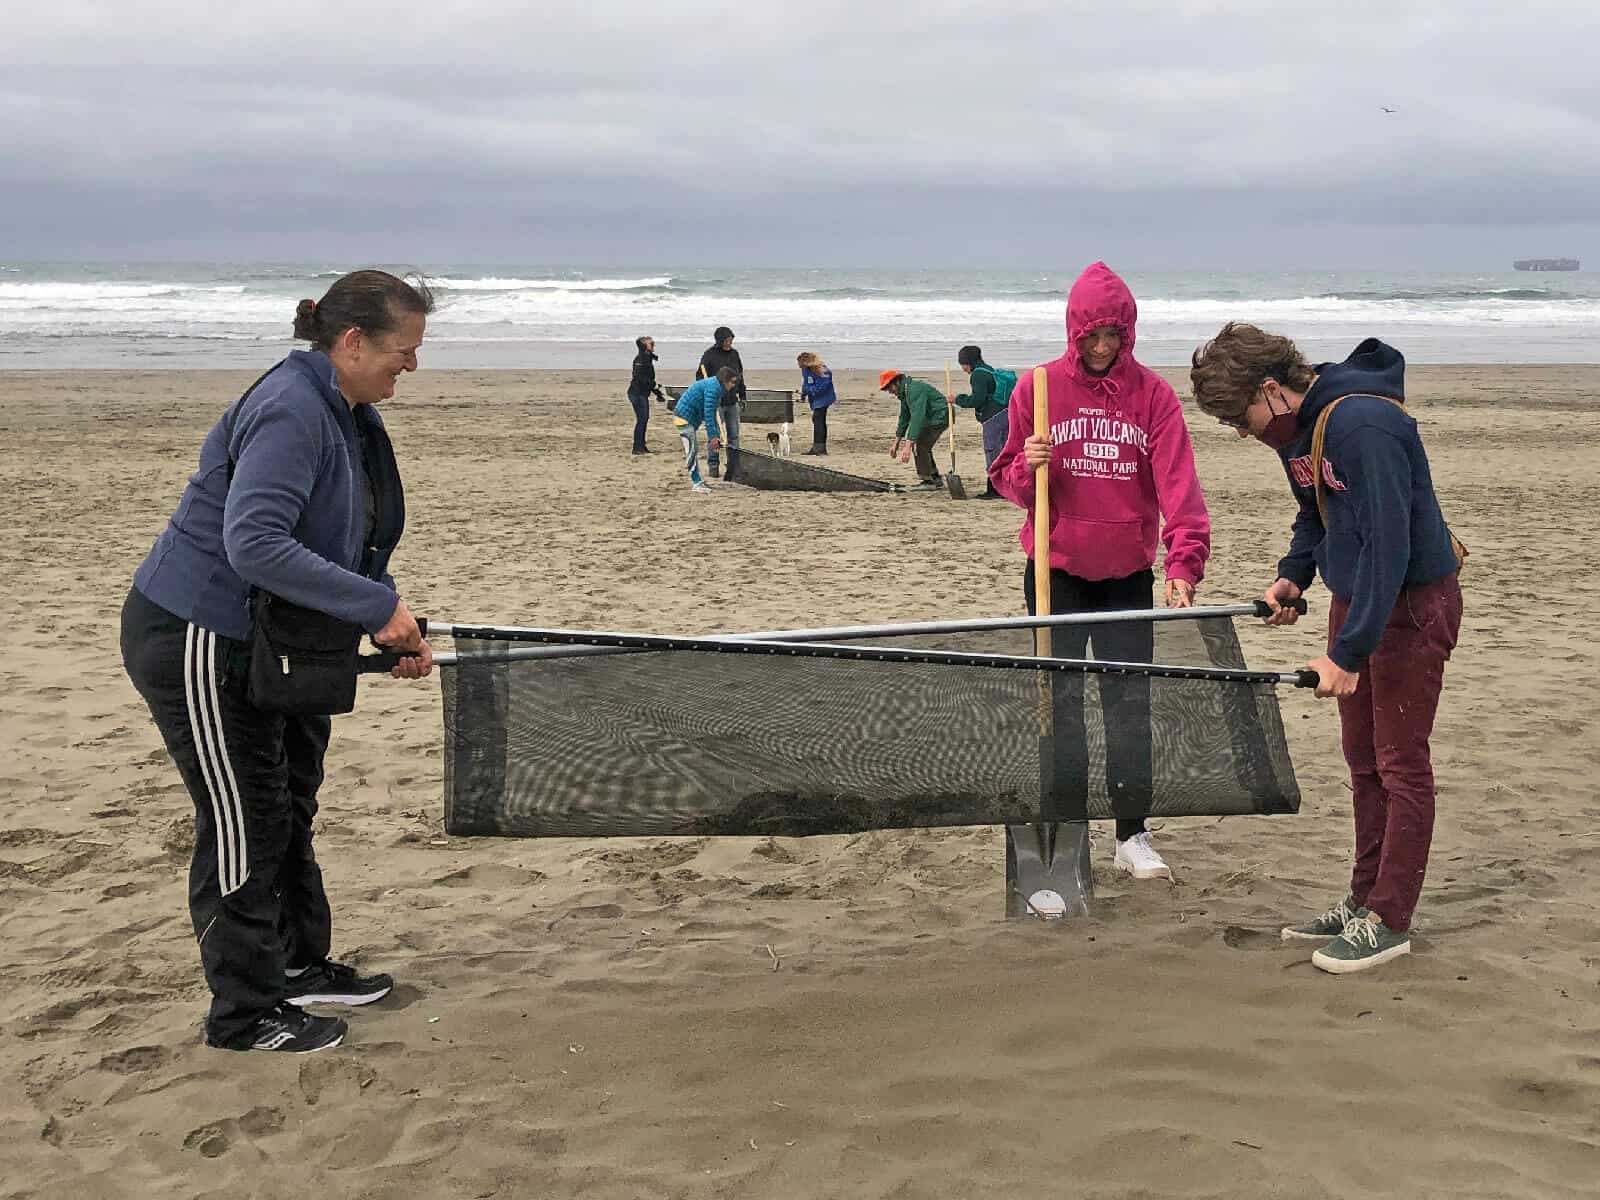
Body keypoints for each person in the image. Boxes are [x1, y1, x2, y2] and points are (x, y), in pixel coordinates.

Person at [120, 270, 436, 1053]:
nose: (413, 367)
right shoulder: (294, 408)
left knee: (290, 802)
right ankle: (243, 1013)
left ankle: (297, 966)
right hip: (199, 632)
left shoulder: (348, 411)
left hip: (276, 643)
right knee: (244, 818)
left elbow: (349, 542)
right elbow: (254, 543)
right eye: (405, 351)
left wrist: (391, 621)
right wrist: (373, 609)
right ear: (353, 341)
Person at [1190, 323, 1464, 974]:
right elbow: (1317, 514)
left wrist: (1347, 652)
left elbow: (1389, 549)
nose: (1242, 431)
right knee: (1363, 760)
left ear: (1270, 388)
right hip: (1359, 600)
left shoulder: (1363, 425)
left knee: (1401, 765)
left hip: (1410, 602)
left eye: (1240, 417)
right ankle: (1363, 900)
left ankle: (1391, 920)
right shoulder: (1301, 431)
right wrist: (1295, 573)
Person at [990, 262, 1211, 881]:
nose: (1104, 346)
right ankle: (1064, 823)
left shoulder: (1154, 397)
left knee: (1127, 704)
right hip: (1054, 571)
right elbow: (1007, 477)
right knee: (1055, 703)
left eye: (1115, 335)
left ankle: (1132, 833)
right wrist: (1027, 465)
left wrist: (1183, 562)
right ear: (1074, 331)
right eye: (1093, 335)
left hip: (1127, 576)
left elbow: (1180, 489)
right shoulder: (1035, 388)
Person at [952, 344, 1017, 498]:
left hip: (993, 418)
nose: (963, 369)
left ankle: (994, 489)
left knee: (993, 451)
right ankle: (1007, 486)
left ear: (967, 362)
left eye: (963, 364)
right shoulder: (989, 369)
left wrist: (957, 399)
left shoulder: (978, 375)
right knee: (1003, 450)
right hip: (1006, 414)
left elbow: (977, 399)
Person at [879, 369, 949, 488]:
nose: (889, 391)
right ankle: (935, 477)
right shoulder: (905, 392)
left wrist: (907, 445)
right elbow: (904, 418)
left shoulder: (914, 390)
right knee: (922, 444)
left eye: (889, 388)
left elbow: (917, 418)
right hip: (930, 418)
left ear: (896, 382)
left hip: (939, 416)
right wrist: (896, 443)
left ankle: (928, 481)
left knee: (919, 444)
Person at [674, 366, 739, 493]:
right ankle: (696, 483)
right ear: (725, 381)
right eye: (732, 382)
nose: (733, 385)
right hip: (683, 417)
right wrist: (713, 438)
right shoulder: (713, 389)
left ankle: (698, 481)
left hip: (690, 418)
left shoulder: (717, 387)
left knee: (693, 448)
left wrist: (714, 436)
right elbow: (708, 414)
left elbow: (712, 415)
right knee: (692, 449)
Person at [697, 326, 746, 478]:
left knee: (734, 435)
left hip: (732, 401)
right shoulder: (709, 355)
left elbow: (740, 375)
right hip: (716, 401)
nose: (729, 343)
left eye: (731, 340)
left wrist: (742, 394)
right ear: (720, 340)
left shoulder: (734, 354)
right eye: (726, 340)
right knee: (715, 435)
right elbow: (700, 376)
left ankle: (733, 466)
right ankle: (713, 466)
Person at [627, 335, 667, 454]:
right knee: (642, 419)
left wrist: (657, 393)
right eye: (651, 344)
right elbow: (640, 378)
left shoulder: (647, 357)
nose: (653, 346)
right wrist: (655, 387)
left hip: (642, 393)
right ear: (645, 346)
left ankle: (641, 446)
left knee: (643, 419)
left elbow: (648, 379)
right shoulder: (641, 359)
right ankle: (637, 447)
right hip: (636, 393)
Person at [796, 351, 837, 455]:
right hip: (814, 398)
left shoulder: (824, 371)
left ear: (806, 362)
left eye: (800, 364)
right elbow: (806, 382)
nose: (799, 366)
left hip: (825, 398)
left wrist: (809, 390)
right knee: (817, 420)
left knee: (819, 420)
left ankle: (820, 448)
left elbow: (821, 388)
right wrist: (803, 395)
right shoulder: (805, 370)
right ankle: (818, 447)